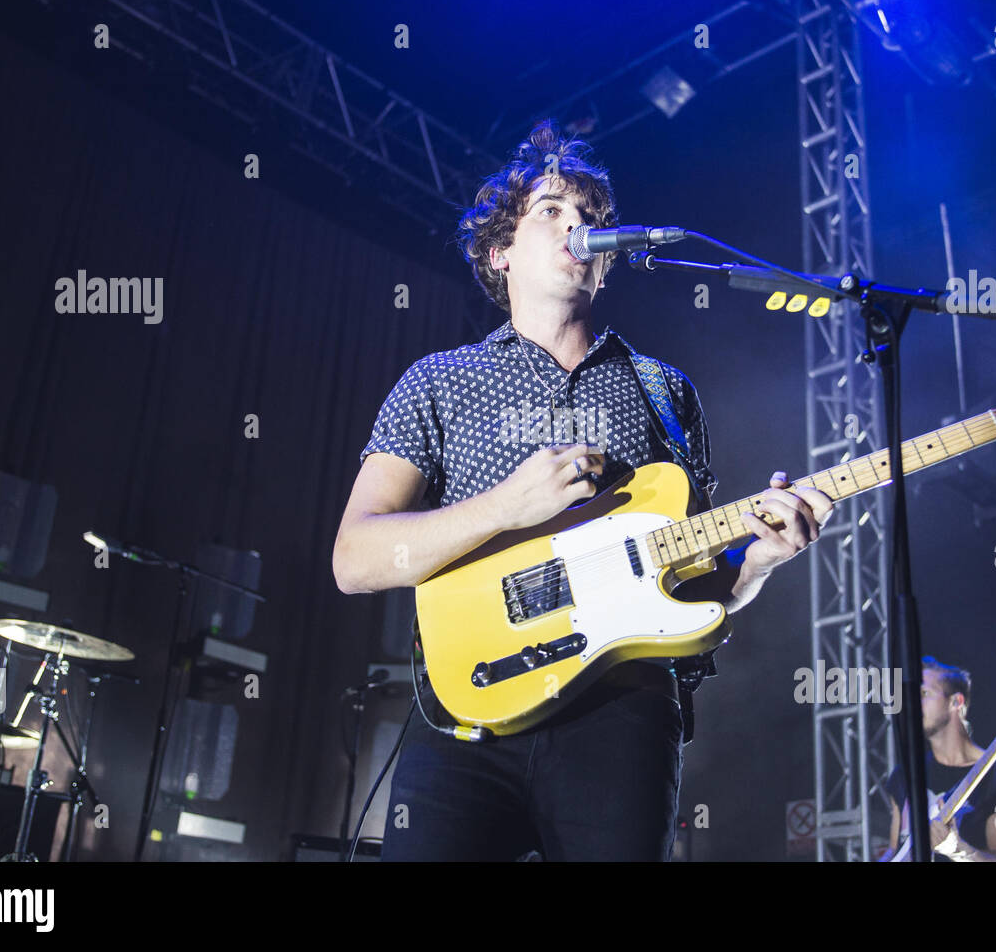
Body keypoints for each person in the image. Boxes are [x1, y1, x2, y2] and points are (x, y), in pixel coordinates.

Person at [332, 121, 833, 861]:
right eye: (552, 211)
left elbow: (695, 591)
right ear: (500, 253)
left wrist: (756, 563)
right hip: (469, 713)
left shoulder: (667, 393)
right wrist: (507, 506)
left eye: (593, 221)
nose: (579, 229)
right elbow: (354, 559)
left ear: (607, 264)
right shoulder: (438, 381)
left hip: (623, 715)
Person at [881, 656, 996, 862]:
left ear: (956, 701)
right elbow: (895, 850)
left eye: (924, 693)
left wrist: (956, 848)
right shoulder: (904, 775)